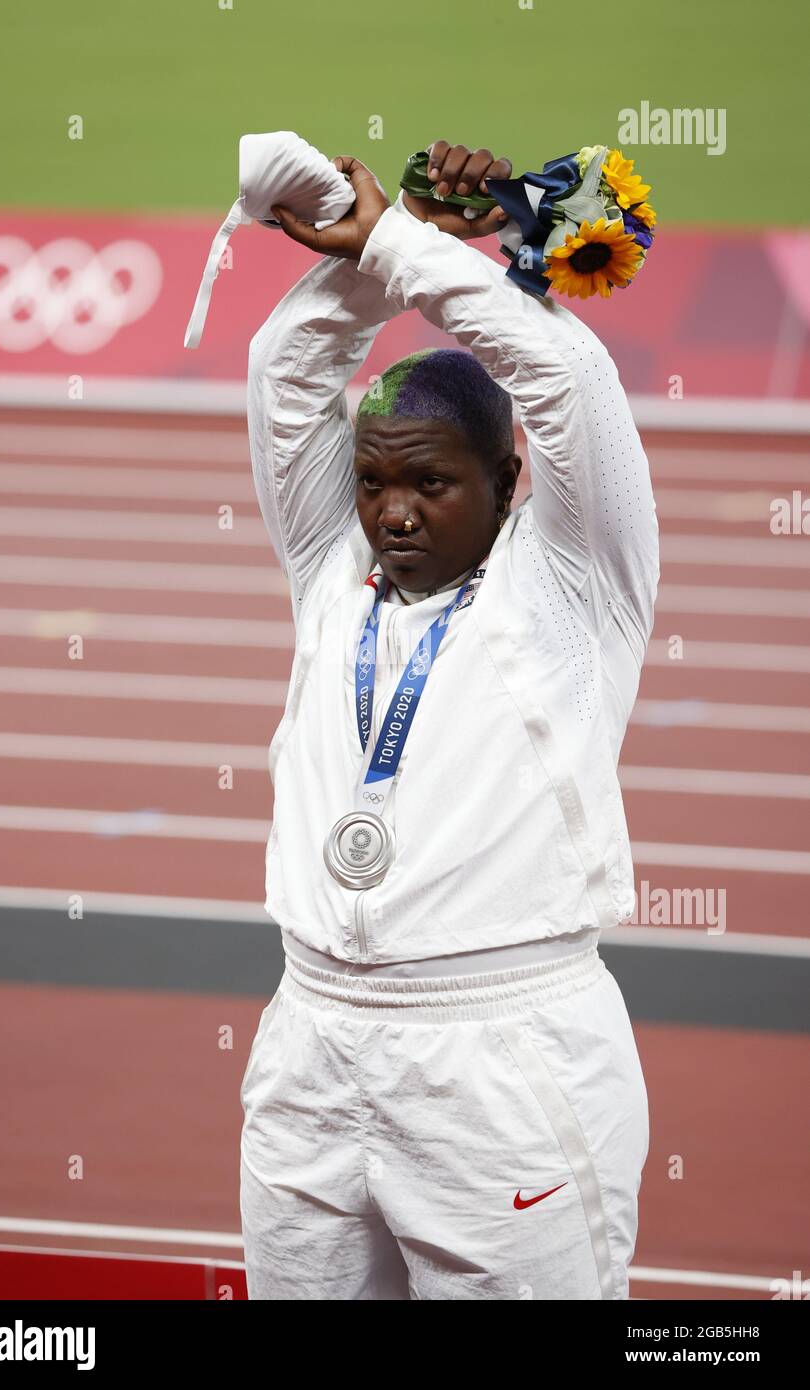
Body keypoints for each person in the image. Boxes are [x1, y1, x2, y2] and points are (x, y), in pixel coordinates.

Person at [239, 141, 659, 1301]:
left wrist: (403, 245)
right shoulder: (331, 562)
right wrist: (384, 240)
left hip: (504, 1059)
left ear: (509, 476)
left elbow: (564, 385)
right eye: (374, 481)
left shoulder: (575, 579)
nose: (392, 513)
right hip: (309, 1041)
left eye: (431, 483)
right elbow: (286, 368)